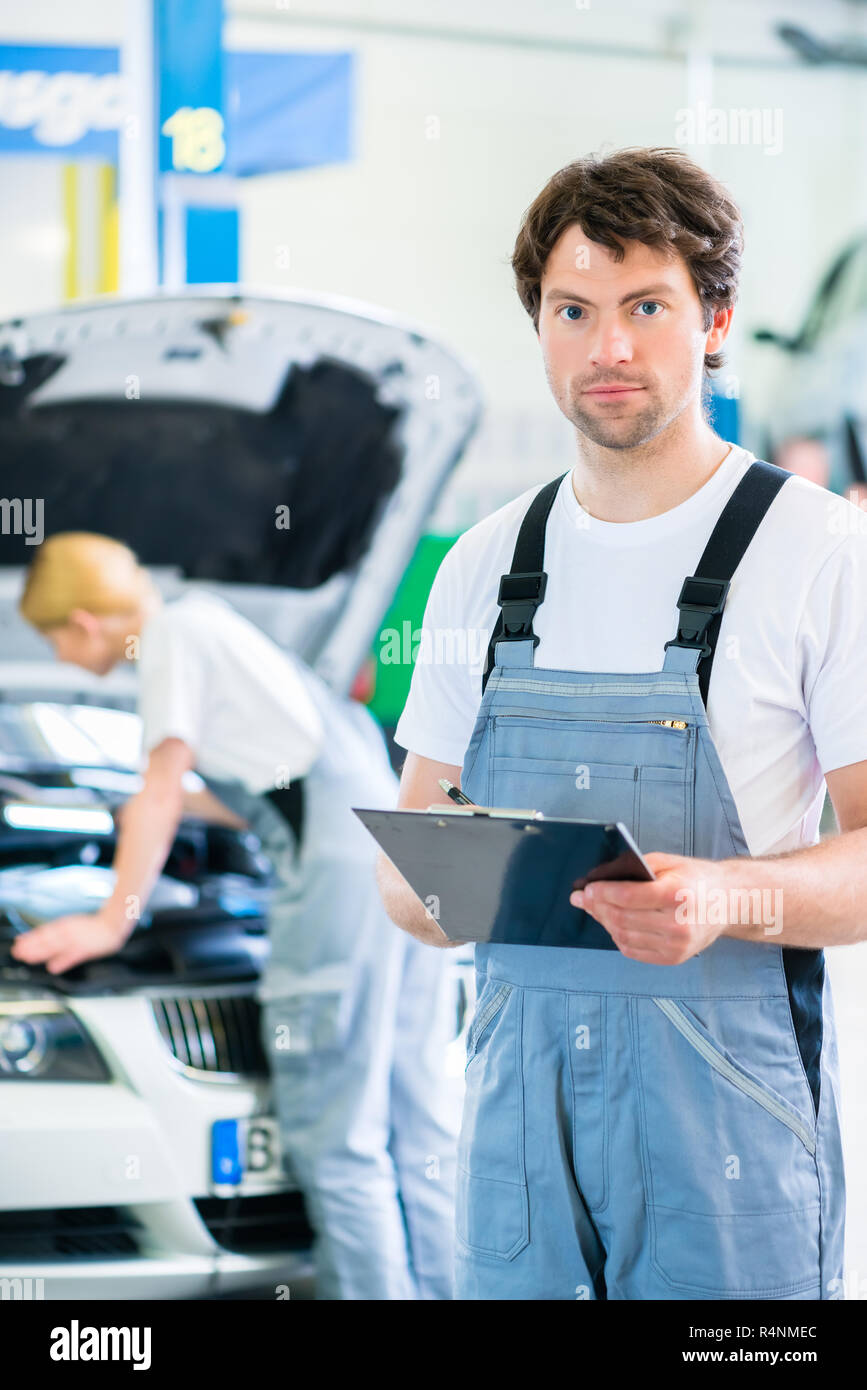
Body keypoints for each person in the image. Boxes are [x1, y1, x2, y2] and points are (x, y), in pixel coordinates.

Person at [377, 146, 867, 1300]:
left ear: (715, 320)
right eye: (573, 309)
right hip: (515, 1113)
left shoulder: (818, 552)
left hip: (725, 1113)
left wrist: (725, 897)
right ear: (539, 323)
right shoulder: (484, 567)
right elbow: (407, 878)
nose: (608, 347)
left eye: (647, 305)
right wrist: (489, 881)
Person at [13, 533, 459, 1300]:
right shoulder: (217, 623)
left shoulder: (170, 638)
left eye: (53, 638)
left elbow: (162, 783)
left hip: (338, 881)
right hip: (401, 859)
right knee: (413, 1125)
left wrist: (110, 922)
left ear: (85, 621)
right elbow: (264, 781)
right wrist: (144, 807)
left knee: (335, 1140)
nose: (58, 657)